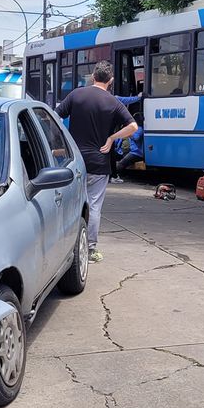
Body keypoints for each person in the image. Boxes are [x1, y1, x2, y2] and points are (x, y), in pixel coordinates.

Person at [56, 60, 138, 263]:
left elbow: (54, 117)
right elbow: (133, 127)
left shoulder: (76, 95)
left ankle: (63, 246)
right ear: (110, 81)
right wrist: (111, 138)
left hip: (74, 161)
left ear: (93, 76)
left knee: (69, 203)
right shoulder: (113, 102)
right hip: (99, 162)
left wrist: (63, 143)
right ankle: (90, 249)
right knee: (93, 206)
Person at [109, 93, 141, 183]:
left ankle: (112, 175)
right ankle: (113, 176)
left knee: (114, 158)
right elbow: (126, 100)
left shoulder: (138, 129)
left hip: (134, 152)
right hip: (123, 149)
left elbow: (136, 137)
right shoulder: (113, 98)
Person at [113, 117, 145, 182]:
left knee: (122, 163)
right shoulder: (127, 130)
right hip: (123, 151)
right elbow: (116, 141)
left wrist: (129, 133)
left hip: (136, 152)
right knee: (110, 156)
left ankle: (114, 176)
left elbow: (136, 138)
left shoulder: (139, 129)